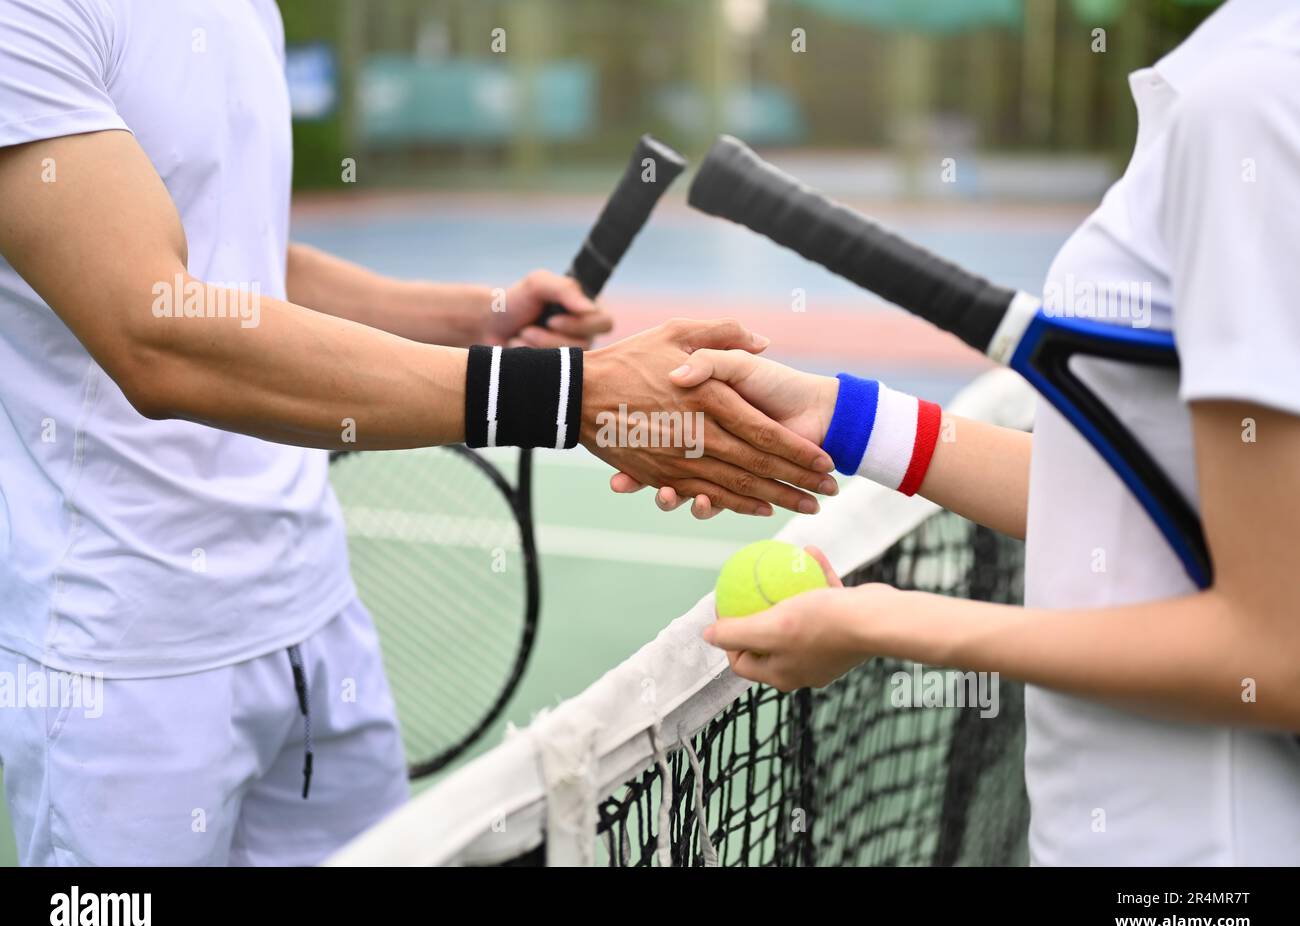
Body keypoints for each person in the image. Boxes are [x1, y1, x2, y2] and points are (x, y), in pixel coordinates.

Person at [0, 0, 835, 865]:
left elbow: (243, 256)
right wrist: (568, 396)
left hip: (317, 613)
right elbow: (154, 330)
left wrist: (477, 317)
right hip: (130, 655)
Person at [619, 0, 1300, 865]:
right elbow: (1137, 504)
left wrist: (878, 624)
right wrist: (837, 417)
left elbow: (1277, 654)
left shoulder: (1257, 105)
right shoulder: (1238, 87)